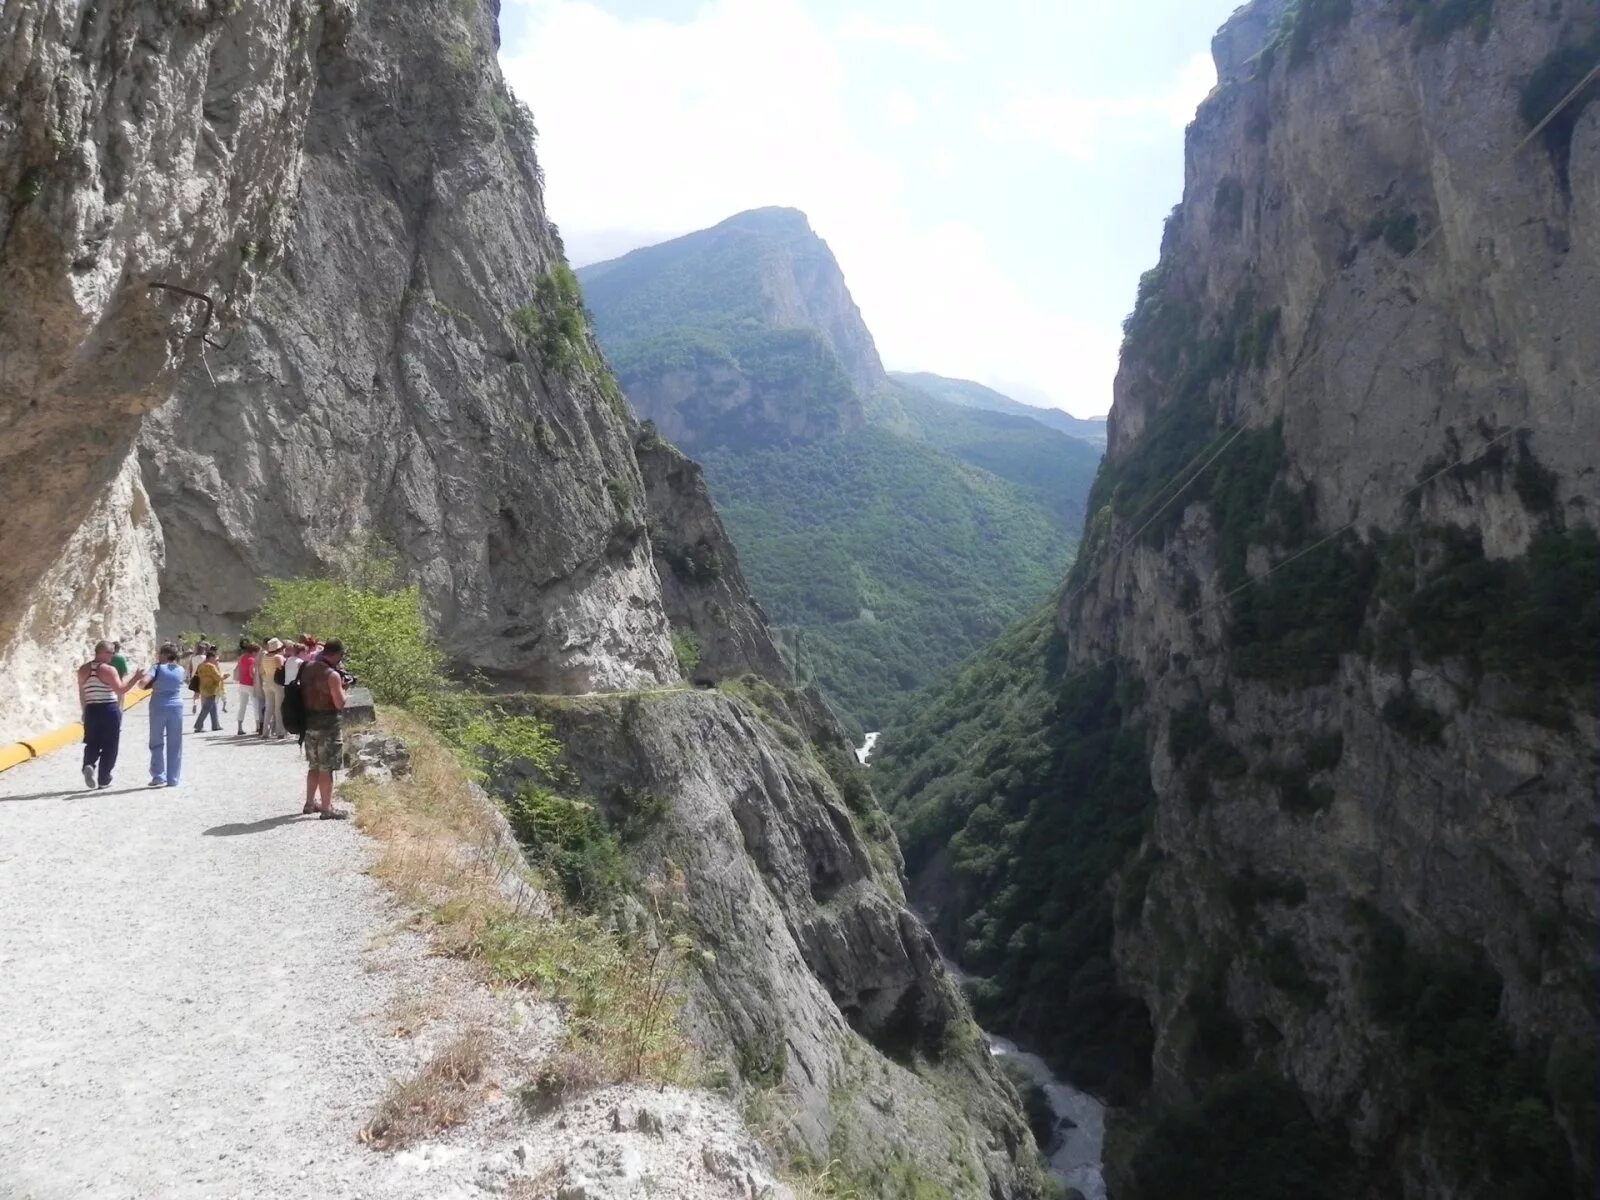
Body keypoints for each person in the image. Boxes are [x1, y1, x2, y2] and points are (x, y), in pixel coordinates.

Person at [77, 641, 138, 789]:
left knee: (92, 742)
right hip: (108, 709)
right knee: (110, 745)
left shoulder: (83, 669)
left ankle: (88, 764)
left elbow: (82, 693)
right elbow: (120, 690)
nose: (112, 655)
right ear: (102, 652)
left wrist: (84, 711)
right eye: (110, 652)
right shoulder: (108, 670)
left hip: (91, 709)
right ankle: (104, 778)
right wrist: (136, 678)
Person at [299, 639, 350, 820]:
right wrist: (345, 688)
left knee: (313, 766)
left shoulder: (307, 668)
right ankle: (327, 808)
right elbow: (339, 703)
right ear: (337, 654)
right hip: (328, 726)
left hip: (309, 722)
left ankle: (310, 803)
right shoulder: (332, 675)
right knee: (326, 768)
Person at [139, 644, 187, 787]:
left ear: (165, 655)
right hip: (177, 706)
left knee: (156, 742)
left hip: (158, 706)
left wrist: (152, 684)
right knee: (175, 743)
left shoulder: (157, 667)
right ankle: (173, 778)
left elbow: (142, 684)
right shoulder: (181, 669)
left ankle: (159, 775)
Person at [193, 647, 225, 733]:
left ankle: (215, 725)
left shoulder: (200, 665)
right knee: (206, 708)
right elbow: (218, 677)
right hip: (211, 689)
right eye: (215, 658)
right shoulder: (211, 666)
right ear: (211, 657)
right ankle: (198, 725)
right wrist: (224, 675)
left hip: (203, 688)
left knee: (213, 707)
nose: (216, 660)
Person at [260, 637, 287, 739]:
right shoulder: (278, 657)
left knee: (269, 708)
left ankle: (265, 732)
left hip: (267, 682)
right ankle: (280, 731)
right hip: (277, 683)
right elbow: (281, 668)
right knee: (278, 708)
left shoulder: (265, 657)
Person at [234, 641, 260, 735]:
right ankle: (258, 726)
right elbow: (252, 673)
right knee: (256, 705)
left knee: (242, 706)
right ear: (254, 652)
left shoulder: (241, 658)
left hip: (242, 684)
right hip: (250, 685)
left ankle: (240, 727)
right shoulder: (252, 660)